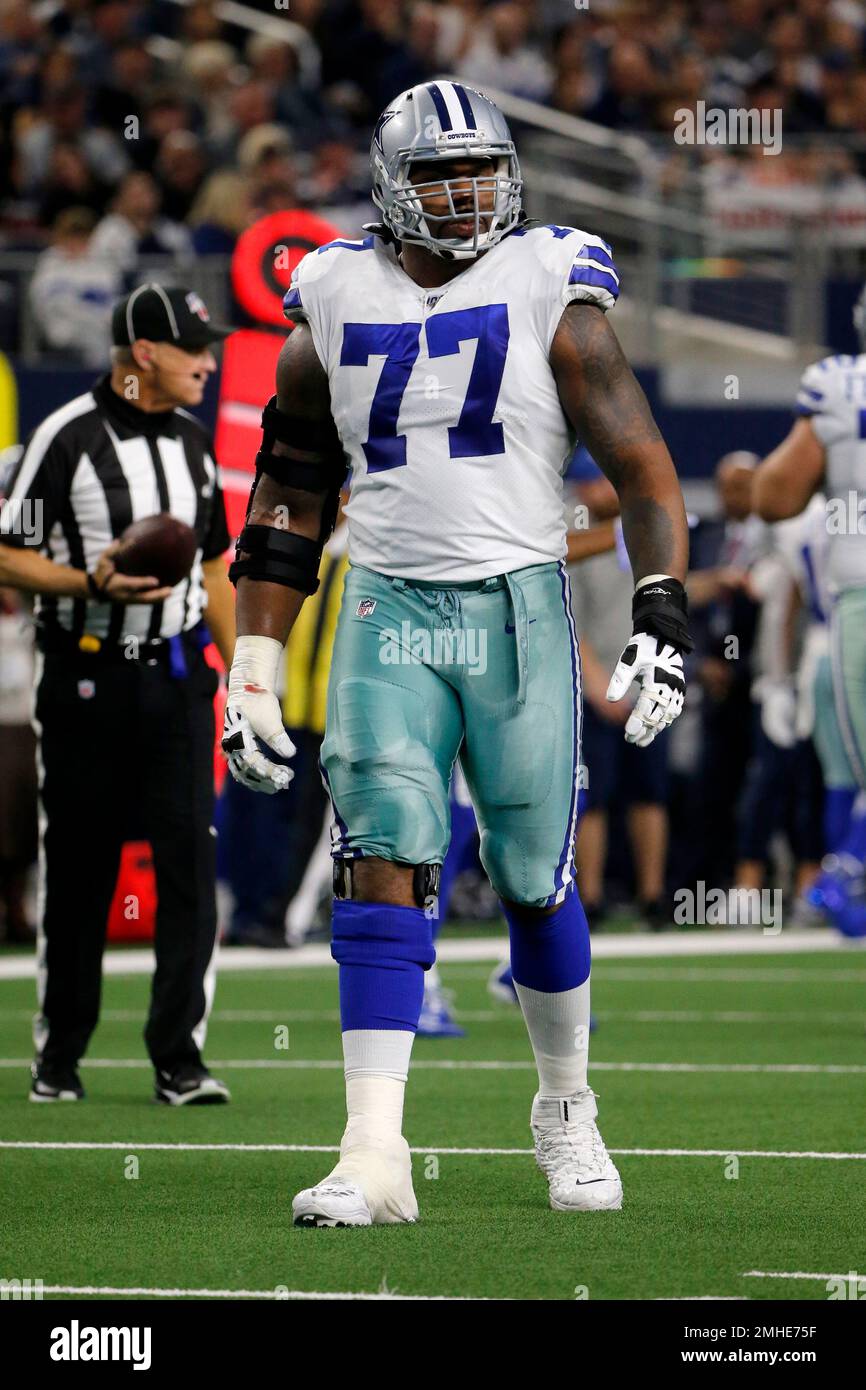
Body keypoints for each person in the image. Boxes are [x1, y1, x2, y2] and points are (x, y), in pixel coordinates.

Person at [222, 81, 691, 1226]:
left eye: (480, 168)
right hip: (383, 602)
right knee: (380, 848)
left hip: (519, 606)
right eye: (439, 173)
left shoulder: (548, 284)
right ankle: (373, 1151)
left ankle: (564, 1107)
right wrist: (251, 662)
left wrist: (660, 605)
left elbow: (640, 465)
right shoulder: (329, 291)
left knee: (533, 874)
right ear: (390, 183)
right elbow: (286, 491)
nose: (467, 191)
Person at [0, 283, 237, 1106]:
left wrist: (244, 677)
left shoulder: (195, 445)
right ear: (145, 353)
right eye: (193, 347)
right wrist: (89, 585)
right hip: (85, 676)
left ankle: (179, 1058)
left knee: (189, 866)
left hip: (175, 677)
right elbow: (6, 553)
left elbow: (213, 566)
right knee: (79, 871)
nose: (208, 361)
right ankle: (59, 1055)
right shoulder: (64, 437)